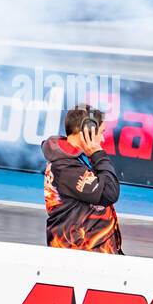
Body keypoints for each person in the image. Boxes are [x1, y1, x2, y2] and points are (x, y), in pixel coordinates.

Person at [42, 105, 123, 254]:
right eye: (101, 133)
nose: (103, 139)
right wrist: (98, 154)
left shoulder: (73, 158)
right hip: (80, 253)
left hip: (89, 250)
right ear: (87, 132)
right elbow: (110, 192)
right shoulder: (66, 167)